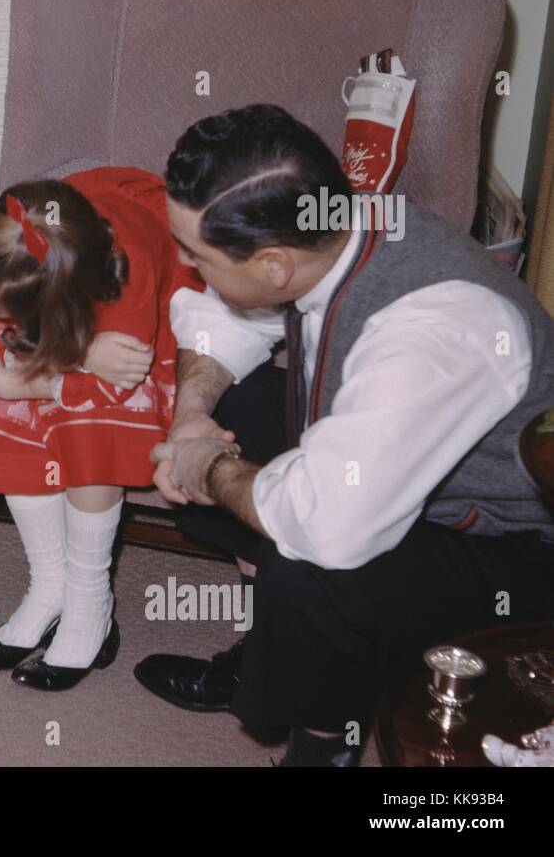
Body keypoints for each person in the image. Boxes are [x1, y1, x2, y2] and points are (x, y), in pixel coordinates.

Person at [139, 104, 554, 766]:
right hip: (403, 484)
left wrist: (207, 469)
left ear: (274, 265)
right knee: (236, 401)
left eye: (196, 255)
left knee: (311, 564)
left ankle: (321, 742)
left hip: (512, 553)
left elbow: (329, 523)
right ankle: (272, 652)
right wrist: (193, 417)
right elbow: (228, 323)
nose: (186, 268)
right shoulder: (331, 222)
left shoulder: (439, 326)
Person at [0, 167, 201, 690]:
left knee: (88, 424)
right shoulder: (7, 232)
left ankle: (88, 599)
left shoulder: (127, 272)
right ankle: (49, 585)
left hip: (142, 335)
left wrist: (28, 379)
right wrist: (15, 374)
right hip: (59, 314)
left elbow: (119, 385)